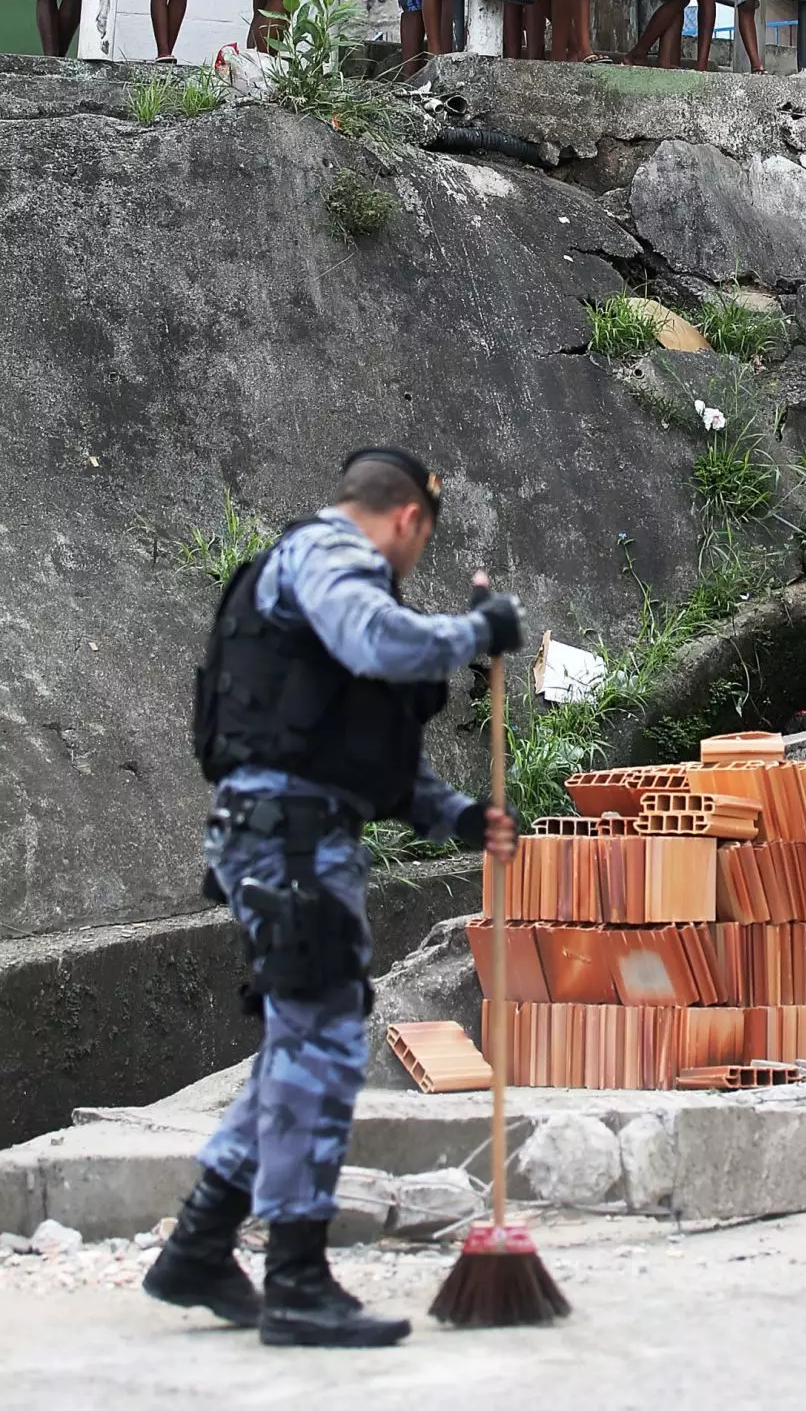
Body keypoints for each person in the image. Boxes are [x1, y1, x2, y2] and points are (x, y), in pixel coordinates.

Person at [143, 447, 523, 1349]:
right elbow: (375, 641)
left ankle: (198, 1244)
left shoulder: (333, 592)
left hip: (303, 833)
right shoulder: (327, 558)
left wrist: (463, 817)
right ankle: (298, 1281)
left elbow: (370, 757)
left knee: (300, 1044)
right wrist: (473, 633)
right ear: (407, 522)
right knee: (318, 1045)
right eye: (417, 548)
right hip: (287, 839)